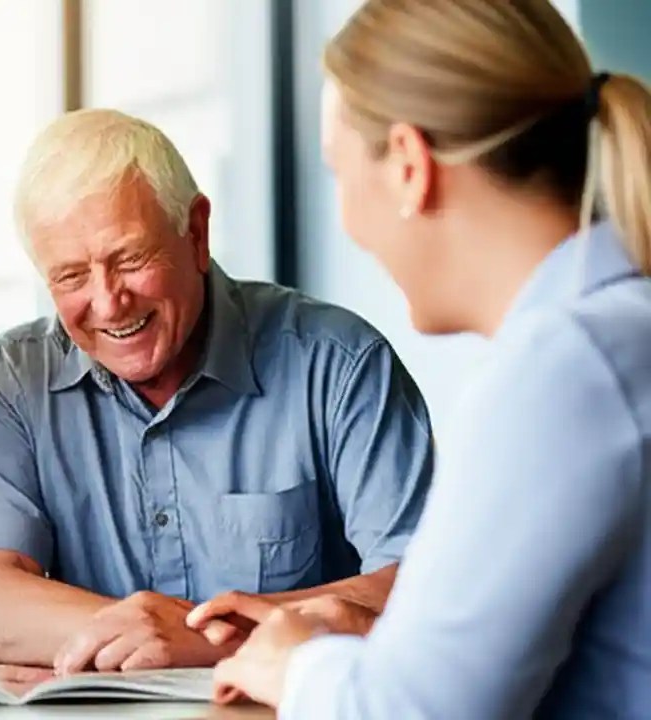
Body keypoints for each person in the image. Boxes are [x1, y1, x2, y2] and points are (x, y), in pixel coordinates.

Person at [188, 1, 651, 716]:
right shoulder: (613, 333)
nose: (344, 216)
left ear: (408, 165)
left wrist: (299, 665)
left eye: (339, 173)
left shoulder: (565, 368)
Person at [0, 108, 435, 673]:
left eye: (130, 259)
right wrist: (150, 634)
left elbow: (418, 582)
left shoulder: (338, 363)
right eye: (71, 276)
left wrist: (203, 638)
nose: (108, 303)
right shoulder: (14, 381)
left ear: (196, 231)